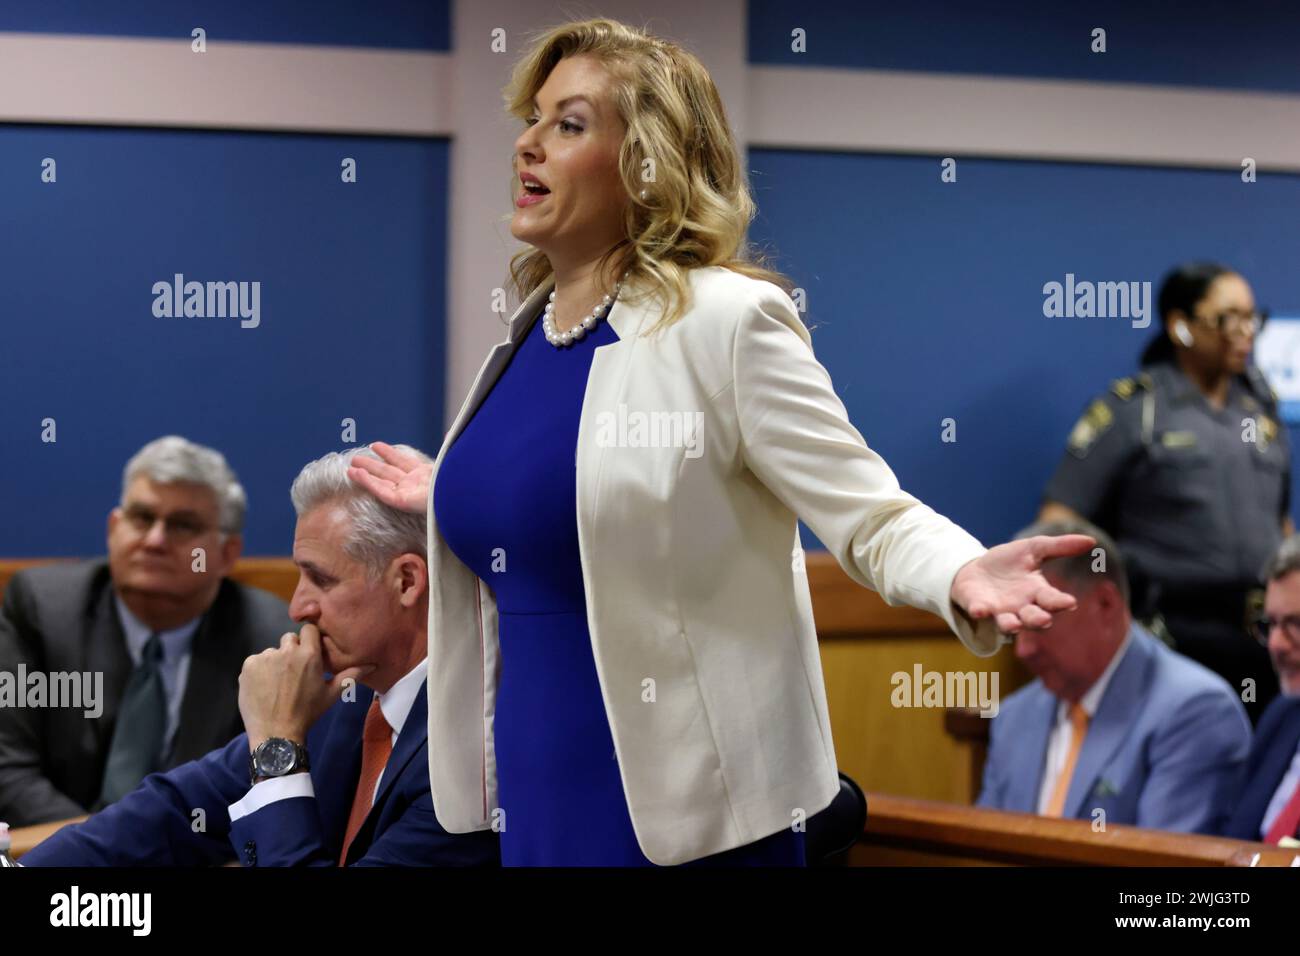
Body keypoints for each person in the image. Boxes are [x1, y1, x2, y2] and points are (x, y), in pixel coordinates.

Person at [349, 18, 1092, 867]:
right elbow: (578, 494)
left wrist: (962, 570)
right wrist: (452, 490)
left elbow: (869, 511)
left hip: (692, 817)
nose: (528, 145)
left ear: (649, 161)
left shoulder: (726, 323)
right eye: (533, 118)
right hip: (531, 792)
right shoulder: (523, 339)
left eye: (570, 123)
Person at [21, 445, 500, 867]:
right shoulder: (347, 694)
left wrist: (277, 746)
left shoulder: (475, 752)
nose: (297, 608)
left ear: (408, 581)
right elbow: (179, 807)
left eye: (322, 579)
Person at [1039, 262, 1292, 723]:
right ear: (1181, 326)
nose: (1245, 333)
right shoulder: (1137, 410)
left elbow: (1281, 525)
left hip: (1262, 637)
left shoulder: (1261, 412)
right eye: (1227, 318)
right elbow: (1059, 521)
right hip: (1169, 634)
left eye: (1252, 318)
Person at [0, 435, 290, 826]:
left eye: (182, 526)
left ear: (225, 554)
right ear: (113, 528)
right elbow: (10, 771)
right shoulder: (43, 611)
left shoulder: (269, 640)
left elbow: (262, 792)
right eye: (141, 517)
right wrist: (102, 854)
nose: (154, 540)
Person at [977, 520, 1250, 834]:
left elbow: (1162, 865)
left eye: (1038, 621)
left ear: (1106, 603)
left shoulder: (1196, 712)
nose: (1023, 650)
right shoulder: (1014, 716)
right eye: (1016, 623)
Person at [1223, 535, 1300, 844]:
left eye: (1296, 624)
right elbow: (1231, 844)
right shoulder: (1281, 716)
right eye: (1270, 624)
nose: (1277, 645)